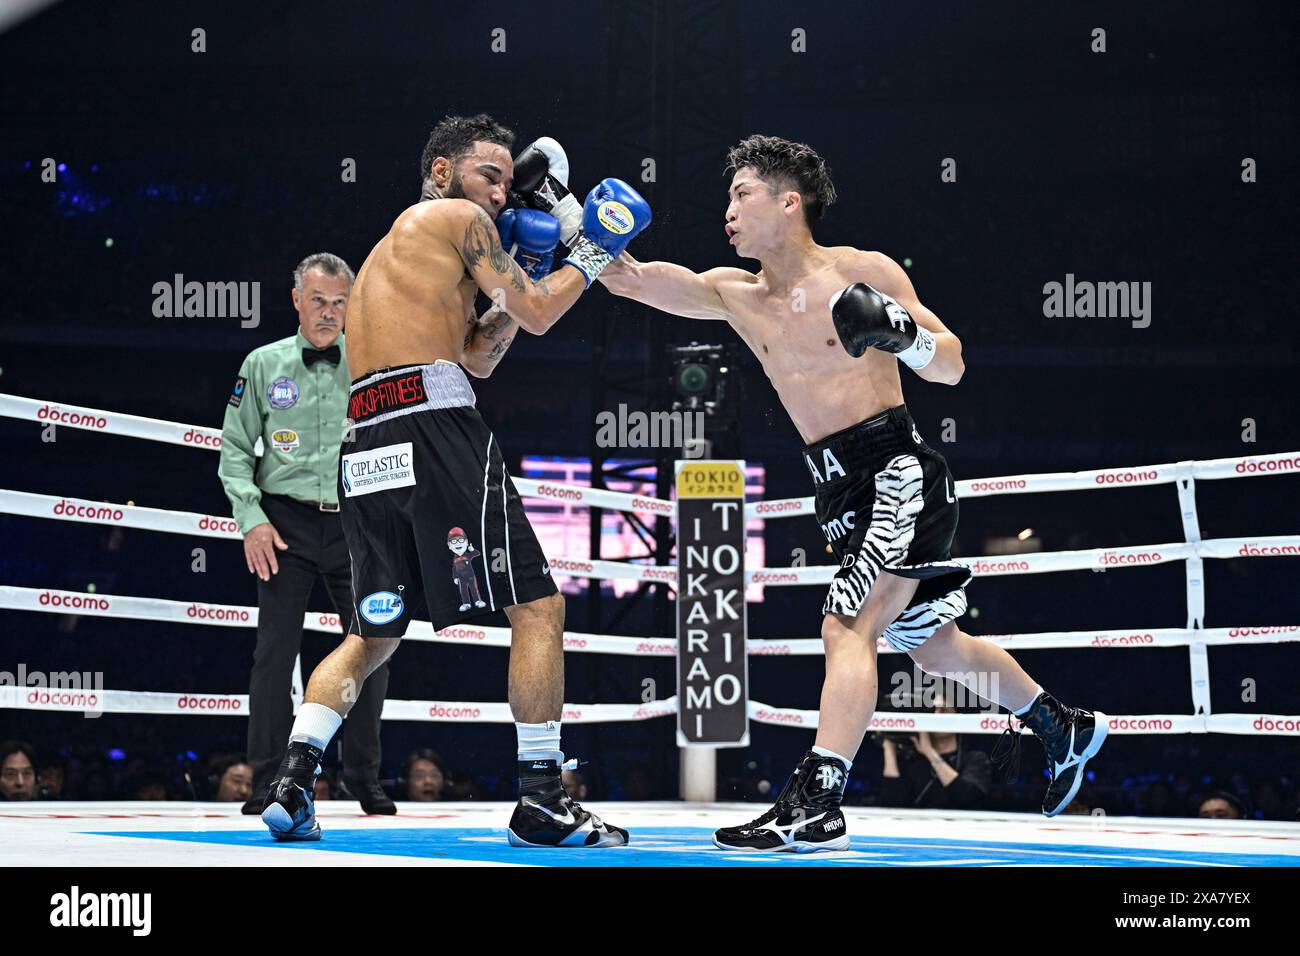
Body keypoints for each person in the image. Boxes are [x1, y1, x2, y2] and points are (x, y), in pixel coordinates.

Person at [599, 134, 1108, 851]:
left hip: (895, 468)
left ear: (789, 202)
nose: (729, 211)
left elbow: (953, 367)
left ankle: (820, 798)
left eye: (742, 194)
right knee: (936, 648)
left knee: (847, 626)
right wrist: (568, 226)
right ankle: (1063, 725)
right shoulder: (734, 293)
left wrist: (899, 332)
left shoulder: (861, 271)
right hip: (836, 490)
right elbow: (630, 279)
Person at [258, 114, 651, 848]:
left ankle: (292, 780)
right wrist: (594, 249)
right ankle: (541, 796)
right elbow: (534, 319)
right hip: (432, 426)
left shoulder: (398, 252)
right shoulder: (457, 217)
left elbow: (482, 355)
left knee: (374, 627)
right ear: (442, 171)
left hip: (366, 438)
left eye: (508, 180)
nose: (502, 194)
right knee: (537, 607)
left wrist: (529, 273)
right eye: (489, 175)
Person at [219, 252, 395, 816]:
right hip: (285, 523)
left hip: (356, 524)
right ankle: (268, 781)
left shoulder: (372, 362)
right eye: (318, 300)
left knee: (373, 647)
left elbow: (395, 442)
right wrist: (252, 520)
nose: (328, 312)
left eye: (340, 302)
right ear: (296, 300)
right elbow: (234, 452)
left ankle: (363, 777)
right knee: (274, 652)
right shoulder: (263, 364)